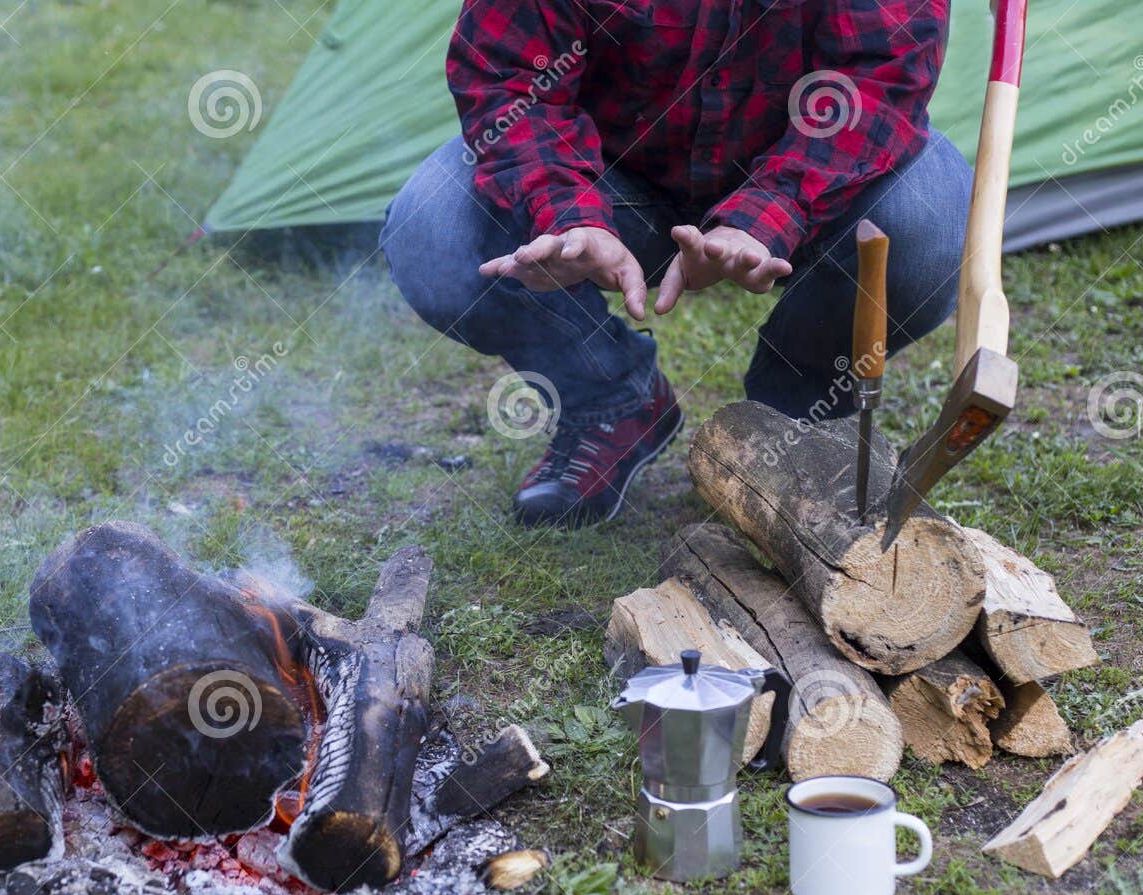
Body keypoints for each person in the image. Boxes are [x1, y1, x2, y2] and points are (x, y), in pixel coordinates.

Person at [380, 0, 972, 528]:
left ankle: (797, 420)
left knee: (926, 223)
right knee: (433, 229)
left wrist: (768, 212)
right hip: (612, 177)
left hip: (802, 175)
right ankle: (613, 401)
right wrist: (569, 213)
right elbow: (508, 73)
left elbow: (878, 80)